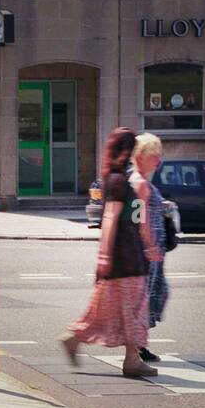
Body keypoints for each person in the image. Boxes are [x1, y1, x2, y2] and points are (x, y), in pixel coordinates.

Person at [60, 128, 162, 379]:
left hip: (122, 258)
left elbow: (136, 218)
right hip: (128, 258)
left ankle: (79, 341)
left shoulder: (116, 179)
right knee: (134, 309)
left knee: (109, 309)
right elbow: (115, 218)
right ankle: (131, 360)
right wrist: (109, 255)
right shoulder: (124, 182)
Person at [129, 133, 169, 364]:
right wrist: (149, 246)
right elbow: (139, 217)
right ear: (141, 156)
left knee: (154, 296)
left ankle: (138, 345)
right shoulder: (140, 183)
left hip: (152, 251)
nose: (158, 161)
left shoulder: (142, 181)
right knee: (146, 299)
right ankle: (137, 348)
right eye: (154, 156)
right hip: (148, 252)